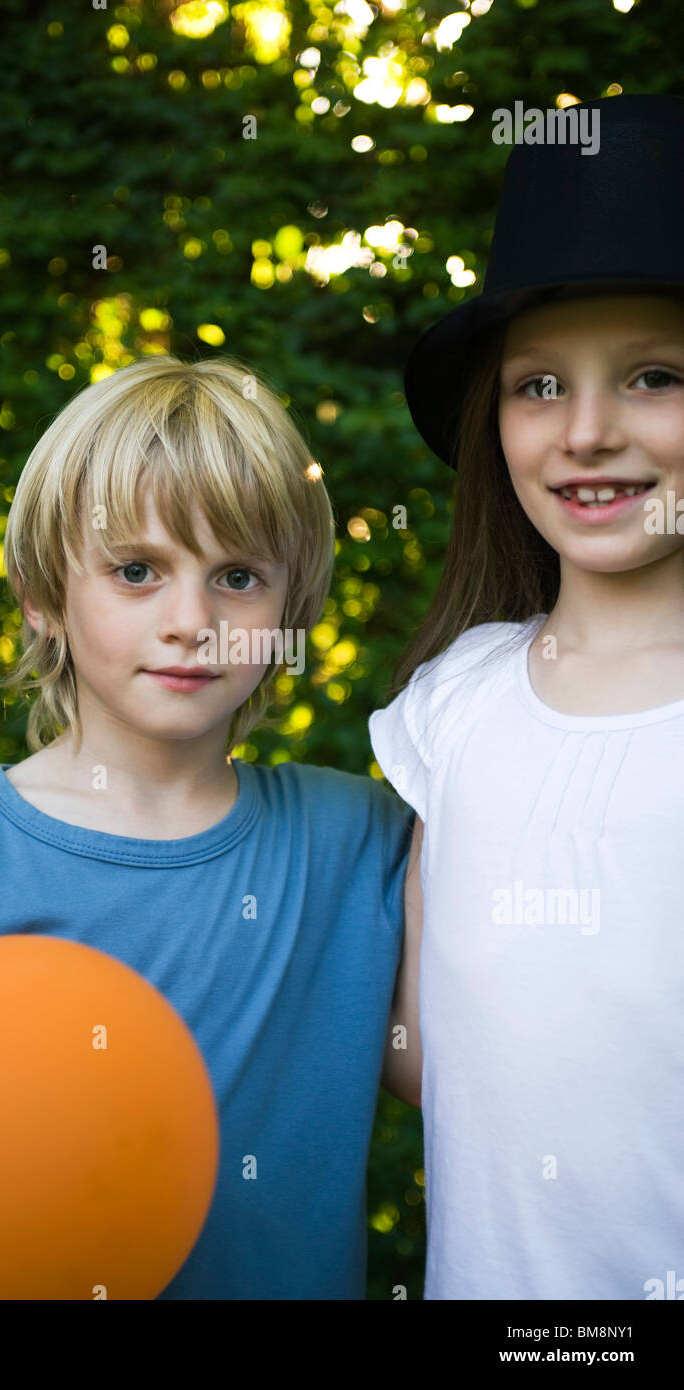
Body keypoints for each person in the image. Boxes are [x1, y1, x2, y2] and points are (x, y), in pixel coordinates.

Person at [0, 354, 410, 1300]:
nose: (190, 620)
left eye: (239, 577)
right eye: (136, 570)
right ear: (43, 597)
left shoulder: (360, 841)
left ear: (291, 608)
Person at [371, 92, 684, 1300]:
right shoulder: (454, 705)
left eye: (653, 376)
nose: (588, 432)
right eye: (539, 386)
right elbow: (413, 1045)